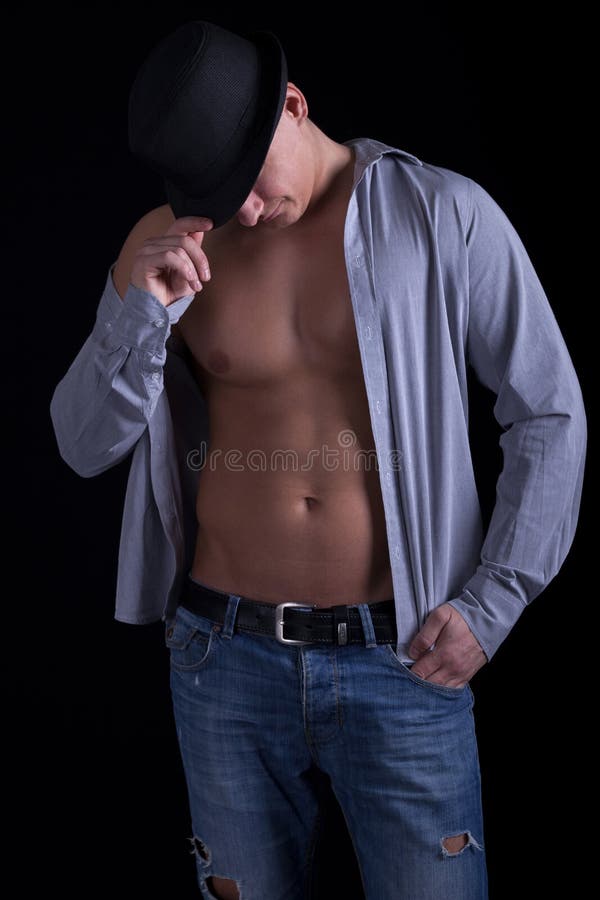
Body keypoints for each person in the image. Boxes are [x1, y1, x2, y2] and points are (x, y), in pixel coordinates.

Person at [49, 19, 587, 900]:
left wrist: (494, 603)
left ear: (294, 107)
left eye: (247, 184)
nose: (243, 213)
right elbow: (82, 444)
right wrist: (135, 316)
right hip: (220, 659)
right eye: (220, 195)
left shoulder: (443, 213)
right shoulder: (168, 244)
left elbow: (551, 410)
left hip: (404, 659)